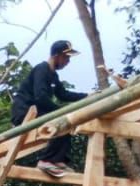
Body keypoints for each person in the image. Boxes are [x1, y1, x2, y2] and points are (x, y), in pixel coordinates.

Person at [12, 40, 88, 178]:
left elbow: (63, 94)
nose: (68, 62)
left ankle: (57, 159)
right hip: (25, 112)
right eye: (66, 57)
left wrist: (87, 96)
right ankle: (46, 160)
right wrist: (59, 111)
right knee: (60, 121)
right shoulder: (42, 69)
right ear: (56, 55)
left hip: (37, 111)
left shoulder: (53, 75)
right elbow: (40, 97)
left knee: (68, 122)